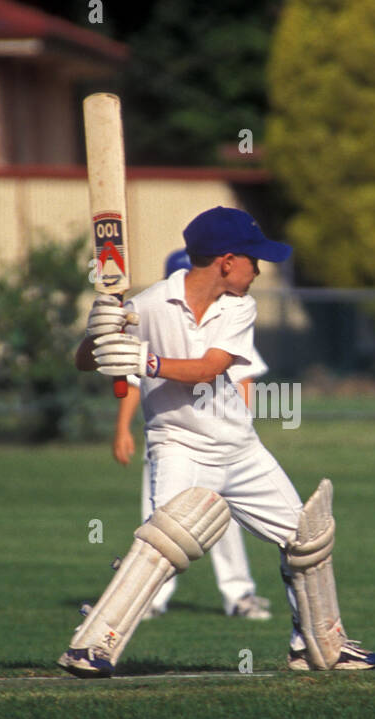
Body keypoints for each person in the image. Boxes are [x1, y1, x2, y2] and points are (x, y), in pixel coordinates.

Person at [58, 206, 375, 677]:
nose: (260, 270)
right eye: (254, 259)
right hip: (179, 447)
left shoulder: (239, 306)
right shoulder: (148, 305)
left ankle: (318, 646)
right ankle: (93, 645)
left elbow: (208, 368)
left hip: (239, 447)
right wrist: (100, 328)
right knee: (163, 547)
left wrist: (147, 362)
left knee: (305, 538)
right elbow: (87, 361)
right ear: (227, 261)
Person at [110, 248, 272, 621]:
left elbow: (241, 377)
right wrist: (122, 429)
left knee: (224, 519)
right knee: (160, 520)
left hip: (219, 442)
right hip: (171, 439)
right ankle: (150, 595)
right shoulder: (152, 319)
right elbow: (131, 380)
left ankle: (239, 594)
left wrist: (240, 426)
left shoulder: (229, 315)